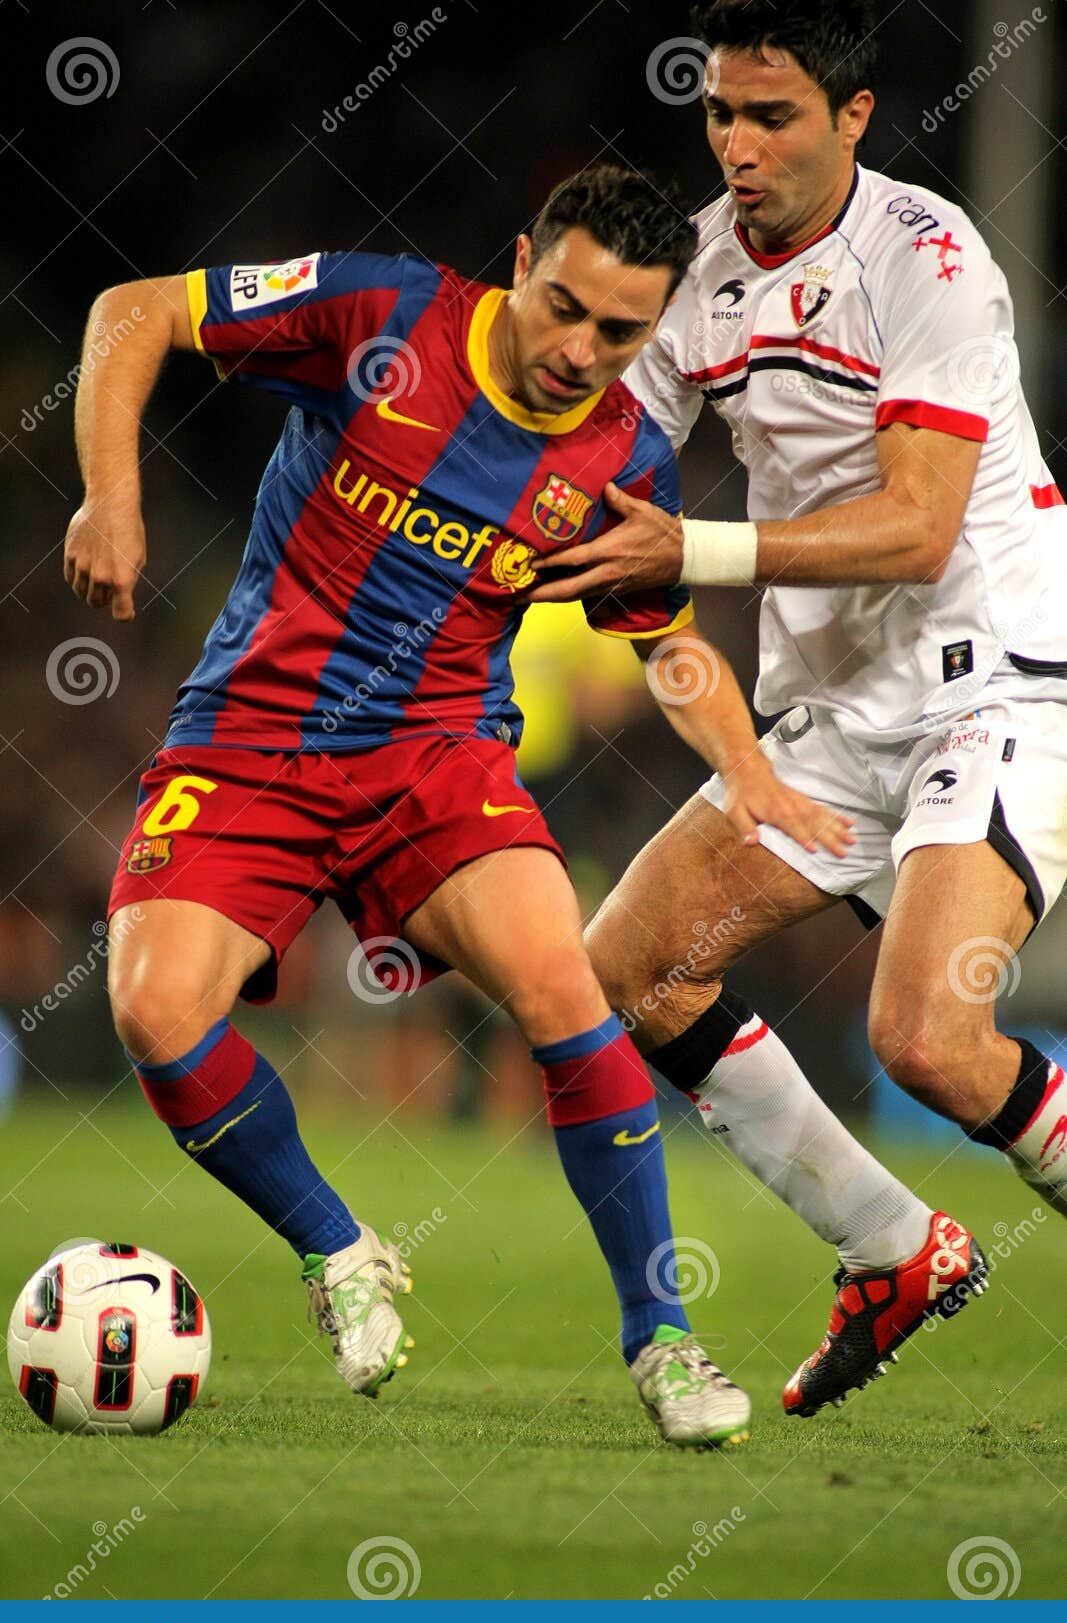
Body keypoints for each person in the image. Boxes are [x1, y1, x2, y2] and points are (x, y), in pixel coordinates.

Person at [62, 163, 853, 1447]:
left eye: (620, 334)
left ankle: (662, 1339)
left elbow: (664, 640)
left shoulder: (617, 456)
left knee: (565, 993)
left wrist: (751, 773)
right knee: (154, 1011)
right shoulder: (376, 316)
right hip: (255, 737)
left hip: (439, 759)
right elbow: (129, 308)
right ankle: (339, 1249)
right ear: (521, 258)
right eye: (564, 308)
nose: (580, 352)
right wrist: (111, 491)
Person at [528, 0, 1066, 1417]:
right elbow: (593, 465)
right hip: (829, 713)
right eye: (718, 116)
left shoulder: (926, 258)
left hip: (991, 679)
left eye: (771, 118)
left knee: (928, 1041)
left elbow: (910, 524)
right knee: (630, 966)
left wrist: (683, 550)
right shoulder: (693, 271)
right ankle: (890, 1248)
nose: (737, 147)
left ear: (851, 117)